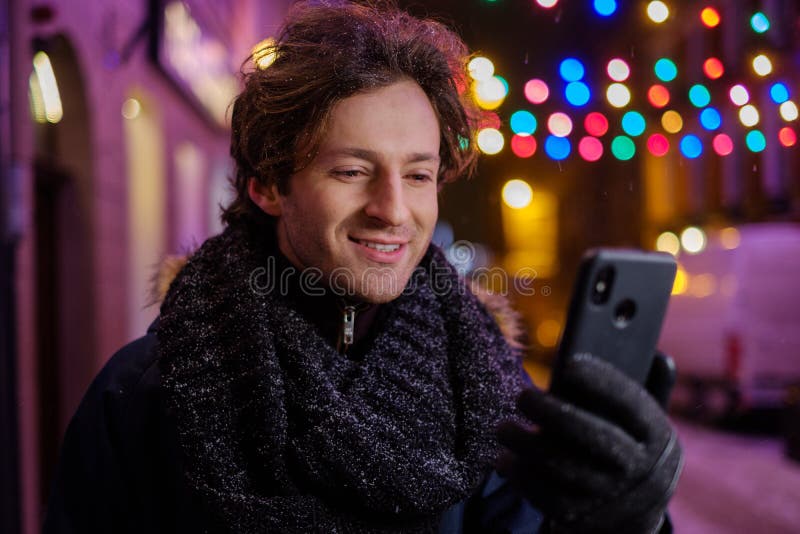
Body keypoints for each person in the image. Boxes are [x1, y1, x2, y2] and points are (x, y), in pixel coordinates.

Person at [43, 1, 682, 532]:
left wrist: (628, 519)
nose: (392, 210)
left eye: (418, 174)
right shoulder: (146, 395)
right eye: (352, 171)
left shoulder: (491, 393)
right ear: (268, 185)